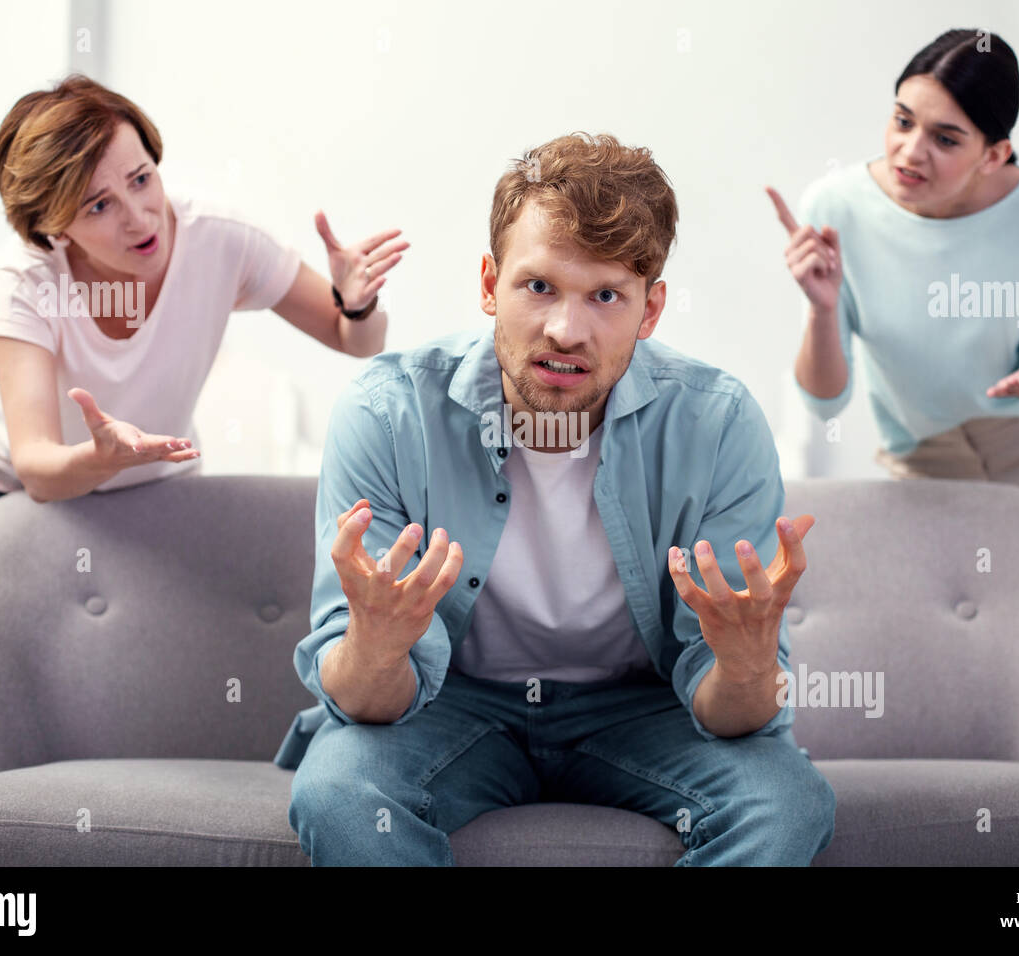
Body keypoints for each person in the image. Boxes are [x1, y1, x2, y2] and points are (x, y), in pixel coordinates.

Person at [274, 132, 836, 866]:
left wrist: (748, 665)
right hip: (452, 705)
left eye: (606, 295)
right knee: (339, 793)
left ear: (651, 309)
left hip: (643, 709)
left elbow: (736, 717)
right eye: (539, 286)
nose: (567, 331)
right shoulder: (387, 414)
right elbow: (364, 700)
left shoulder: (718, 422)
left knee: (787, 803)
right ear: (488, 284)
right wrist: (376, 648)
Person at [0, 73, 406, 547]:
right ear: (54, 227)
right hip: (5, 495)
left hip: (148, 483)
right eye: (100, 206)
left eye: (141, 179)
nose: (139, 217)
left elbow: (354, 342)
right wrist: (103, 459)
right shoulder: (27, 275)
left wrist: (358, 305)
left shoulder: (220, 239)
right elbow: (37, 466)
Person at [769, 29, 1019, 531]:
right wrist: (823, 309)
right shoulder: (835, 208)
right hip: (926, 458)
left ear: (993, 155)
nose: (910, 152)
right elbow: (825, 401)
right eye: (902, 121)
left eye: (945, 138)